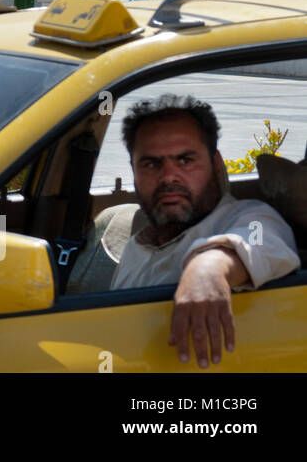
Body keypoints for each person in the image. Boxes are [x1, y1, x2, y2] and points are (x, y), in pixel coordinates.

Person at [111, 95, 300, 367]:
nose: (168, 177)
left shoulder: (248, 217)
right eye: (151, 164)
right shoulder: (135, 247)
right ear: (133, 171)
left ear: (217, 164)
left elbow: (262, 238)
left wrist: (210, 268)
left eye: (186, 160)